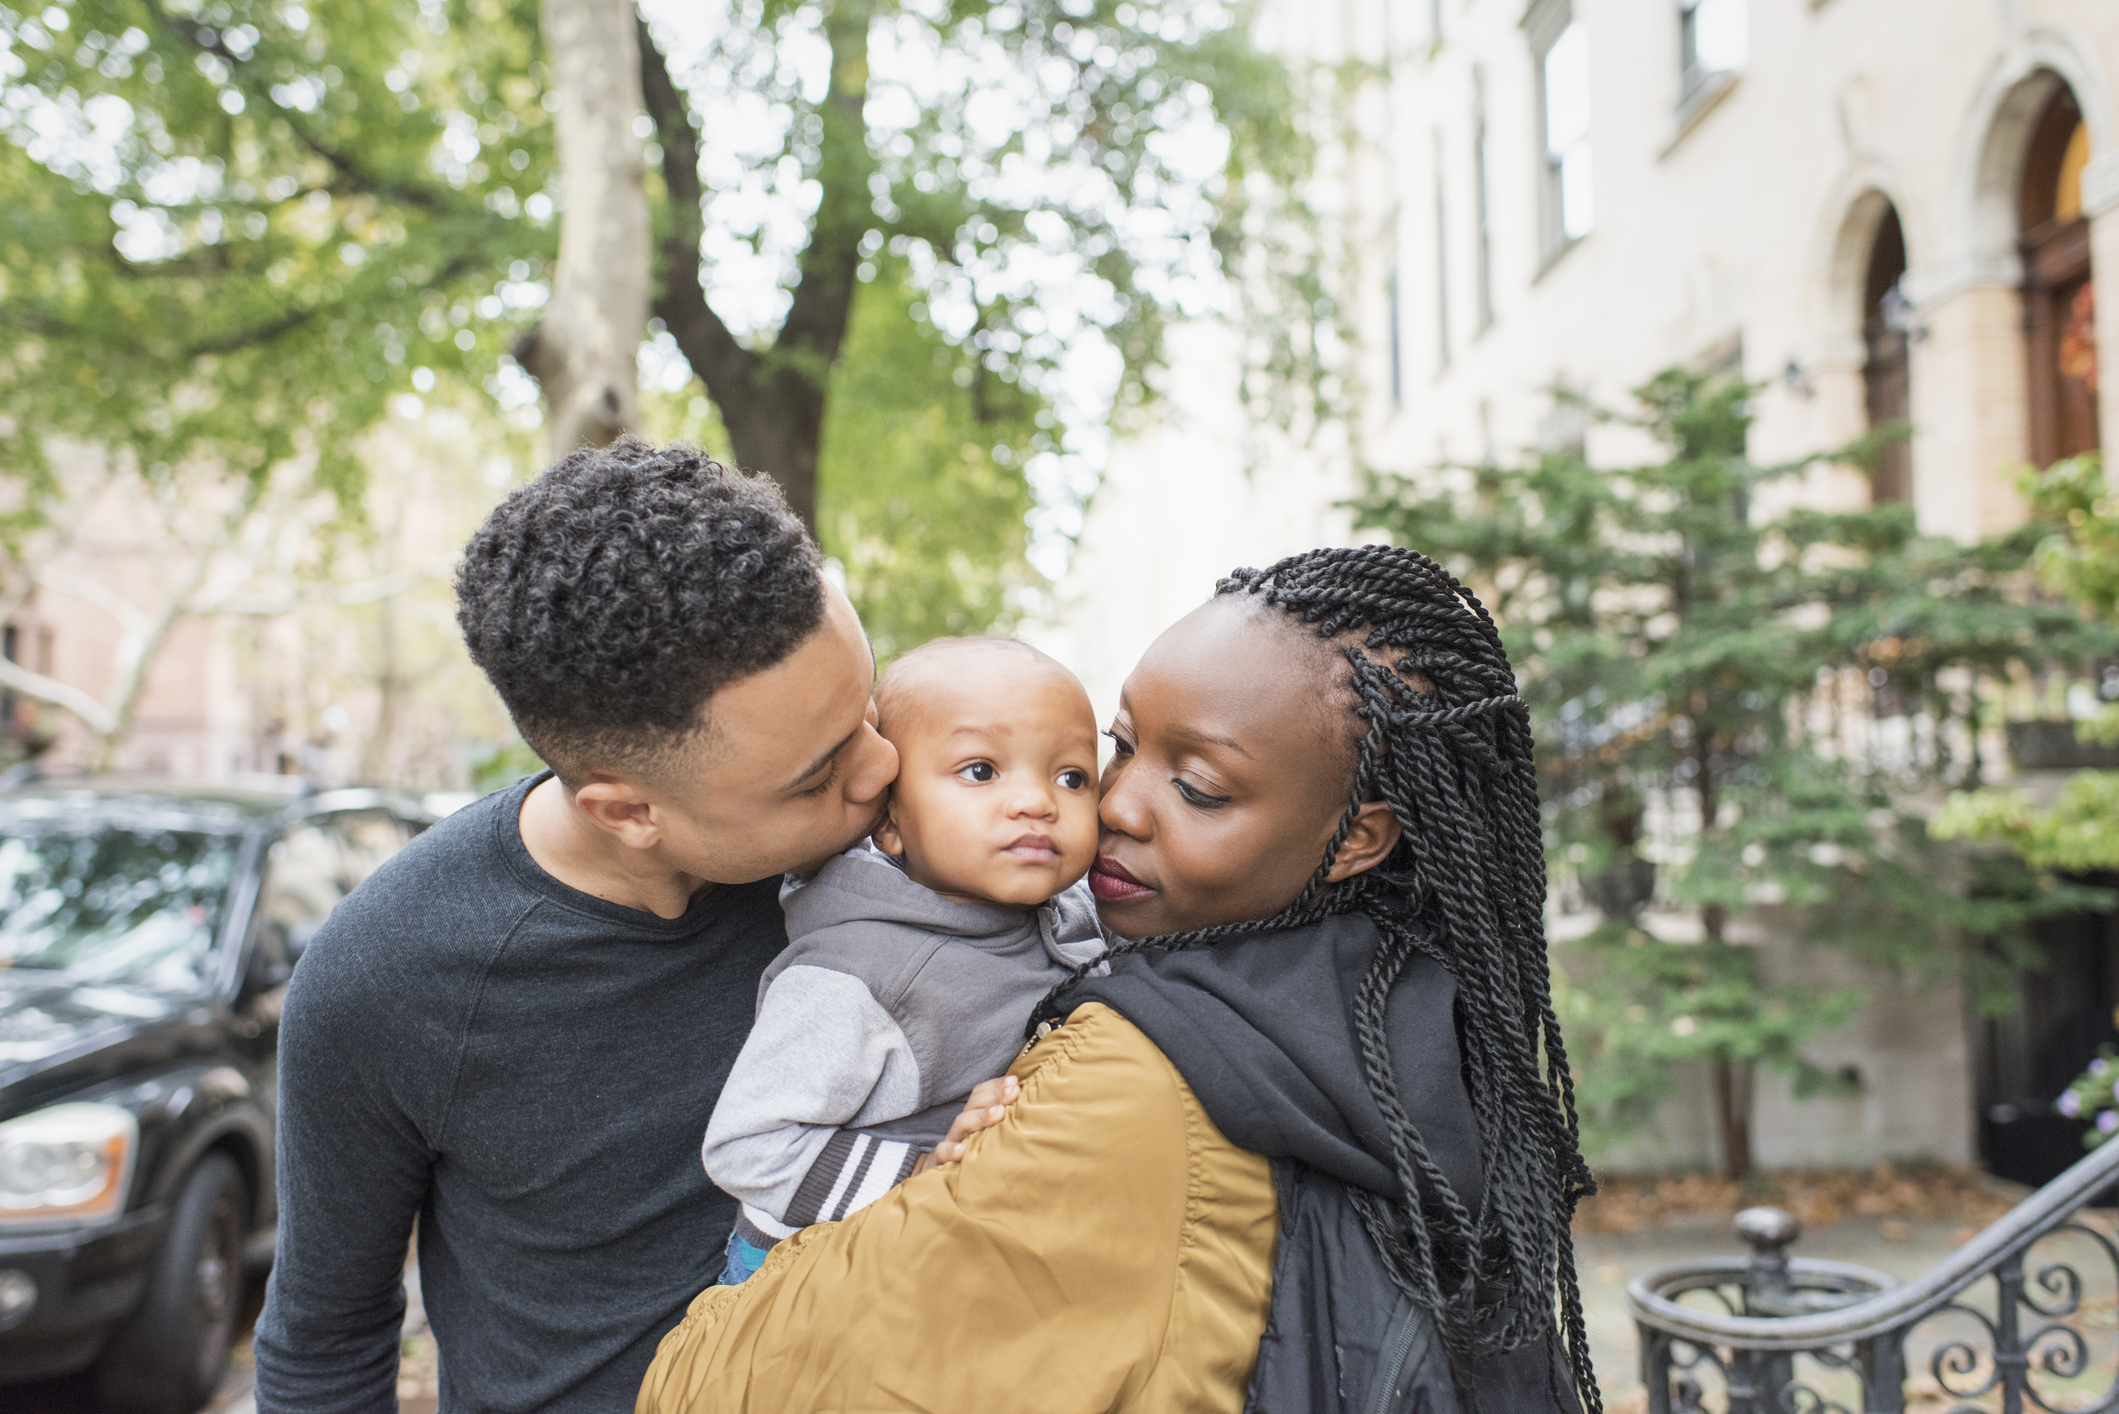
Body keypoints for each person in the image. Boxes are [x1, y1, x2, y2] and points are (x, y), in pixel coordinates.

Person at [636, 545, 1600, 1414]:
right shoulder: (1408, 999)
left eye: (1199, 789)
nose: (1114, 807)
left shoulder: (1132, 1077)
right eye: (1124, 747)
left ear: (1356, 838)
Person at [253, 438, 900, 1412]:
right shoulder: (384, 981)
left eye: (868, 709)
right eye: (818, 774)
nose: (884, 767)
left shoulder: (894, 852)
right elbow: (324, 1342)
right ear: (627, 811)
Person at [703, 638, 1105, 1283]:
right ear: (889, 823)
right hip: (811, 1273)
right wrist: (919, 1173)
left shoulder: (1068, 909)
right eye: (981, 771)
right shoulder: (859, 975)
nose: (1038, 801)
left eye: (1072, 777)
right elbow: (748, 1147)